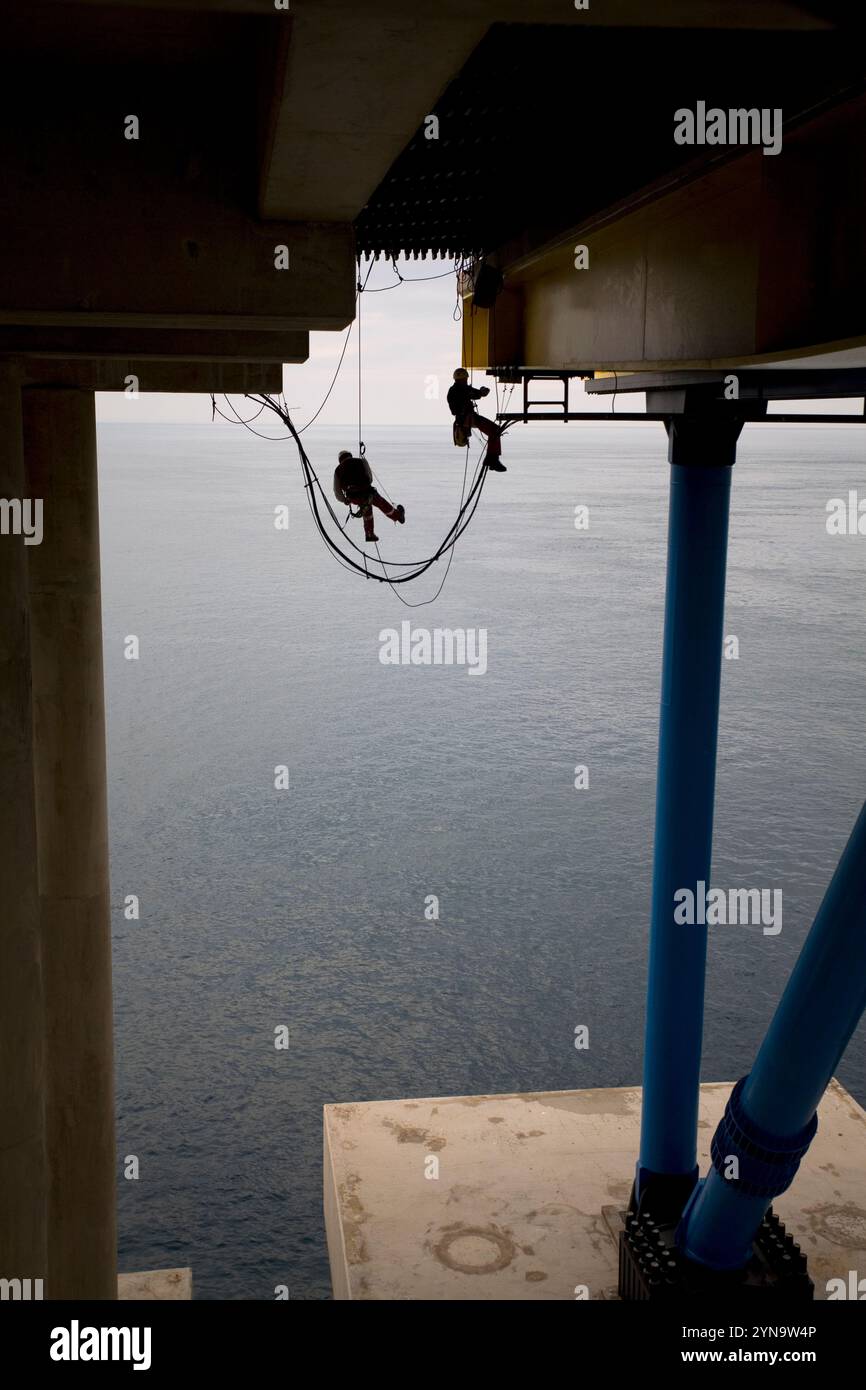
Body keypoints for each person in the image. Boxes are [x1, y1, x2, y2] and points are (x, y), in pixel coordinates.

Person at [333, 450, 405, 543]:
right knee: (381, 503)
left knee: (366, 509)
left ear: (340, 460)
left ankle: (369, 534)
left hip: (354, 497)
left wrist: (344, 500)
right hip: (368, 492)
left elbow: (337, 491)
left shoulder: (338, 470)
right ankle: (398, 516)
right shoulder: (360, 461)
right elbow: (370, 478)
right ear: (350, 456)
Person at [446, 367, 506, 471]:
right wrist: (482, 392)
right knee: (495, 430)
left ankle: (491, 458)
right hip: (468, 418)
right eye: (465, 379)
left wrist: (480, 392)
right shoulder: (460, 390)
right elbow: (475, 394)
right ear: (461, 379)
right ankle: (492, 459)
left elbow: (474, 394)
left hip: (465, 418)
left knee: (494, 430)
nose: (466, 381)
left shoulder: (455, 390)